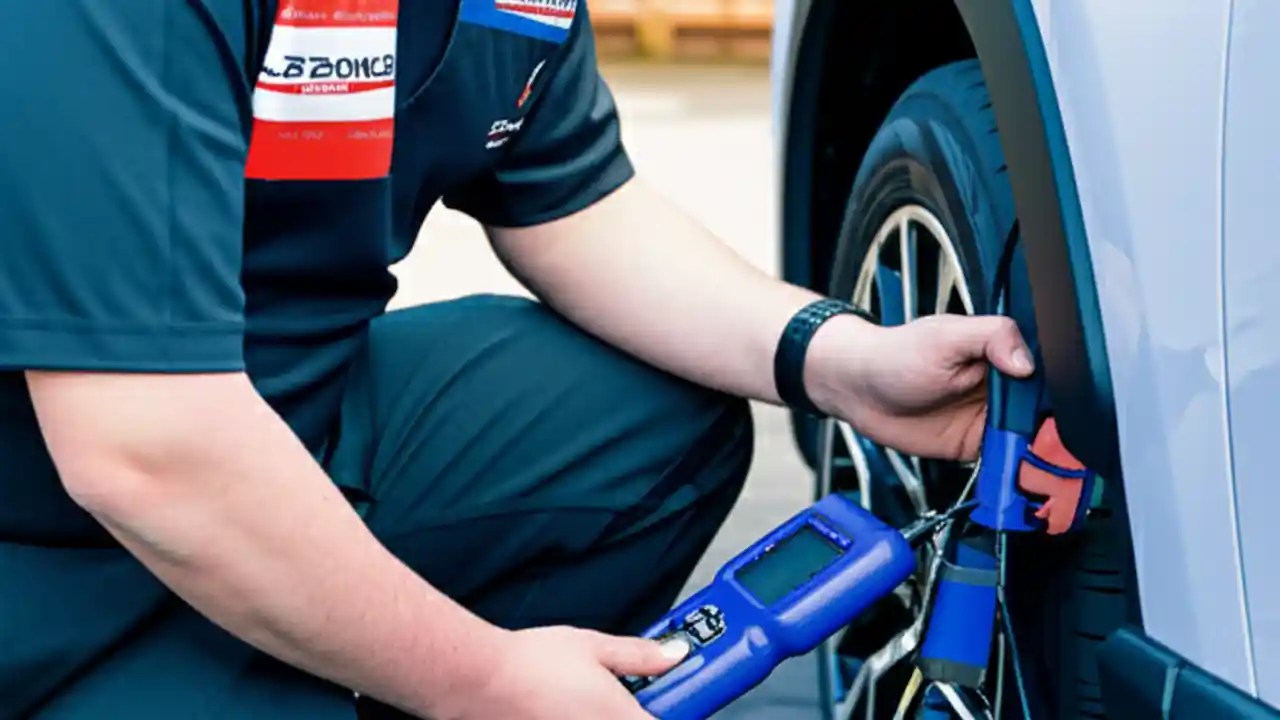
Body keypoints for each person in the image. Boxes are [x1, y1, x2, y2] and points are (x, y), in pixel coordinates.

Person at [0, 2, 1033, 718]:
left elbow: (576, 208)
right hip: (46, 537)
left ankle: (306, 625)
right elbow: (141, 445)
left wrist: (839, 361)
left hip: (290, 423)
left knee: (636, 422)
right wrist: (477, 678)